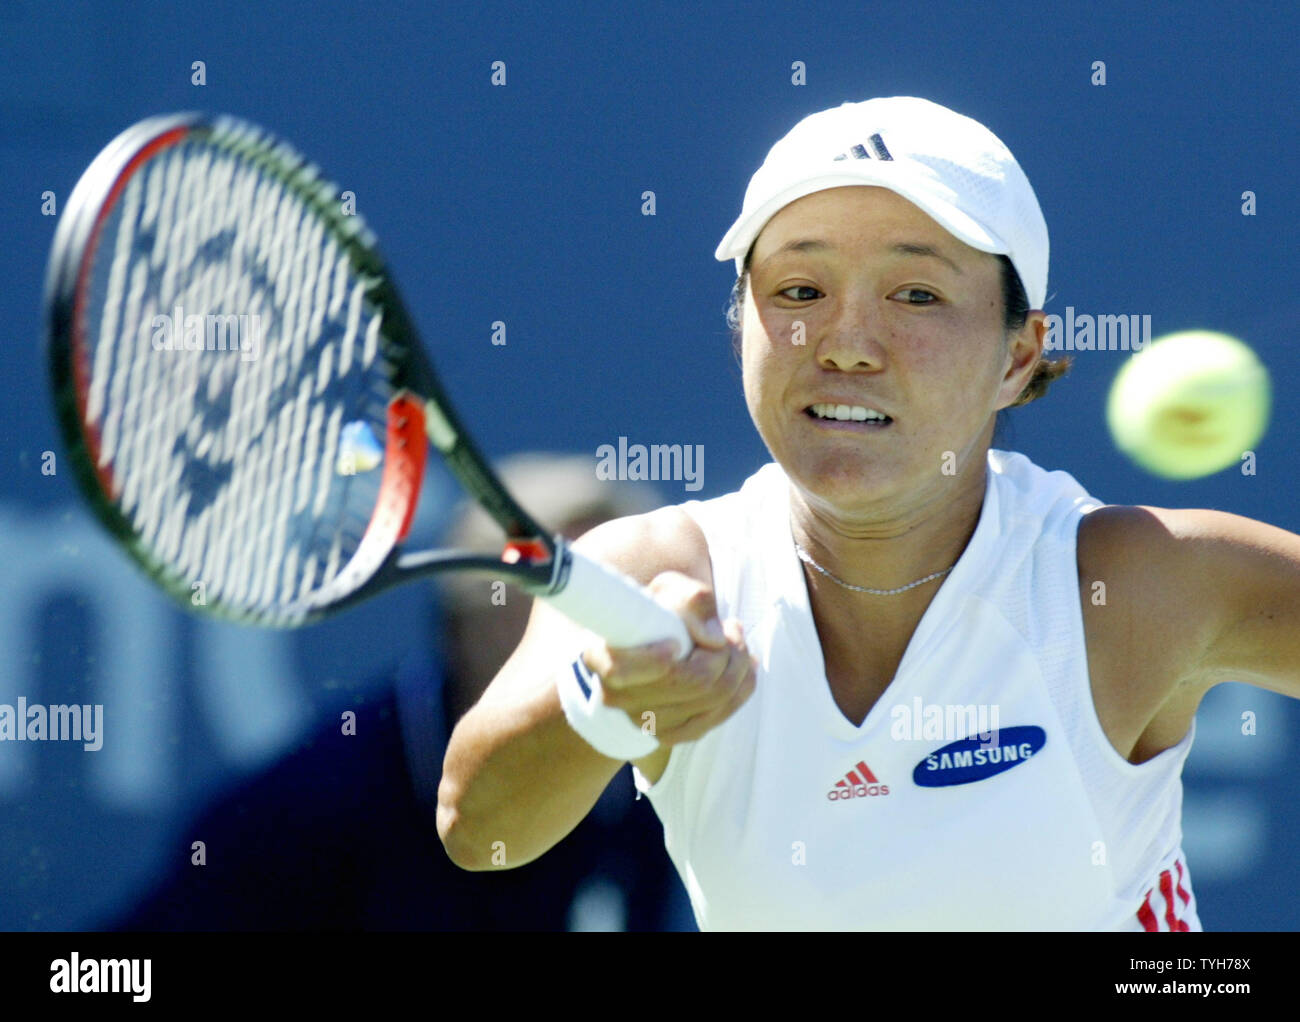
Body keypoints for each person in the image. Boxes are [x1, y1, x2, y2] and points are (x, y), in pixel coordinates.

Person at [436, 96, 1300, 931]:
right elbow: (479, 833)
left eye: (916, 294)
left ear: (1019, 355)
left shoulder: (1140, 586)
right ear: (743, 328)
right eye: (801, 290)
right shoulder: (653, 572)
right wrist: (610, 702)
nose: (846, 342)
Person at [112, 454, 694, 931]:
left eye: (621, 594)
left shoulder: (645, 792)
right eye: (562, 598)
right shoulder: (305, 813)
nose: (603, 625)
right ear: (465, 624)